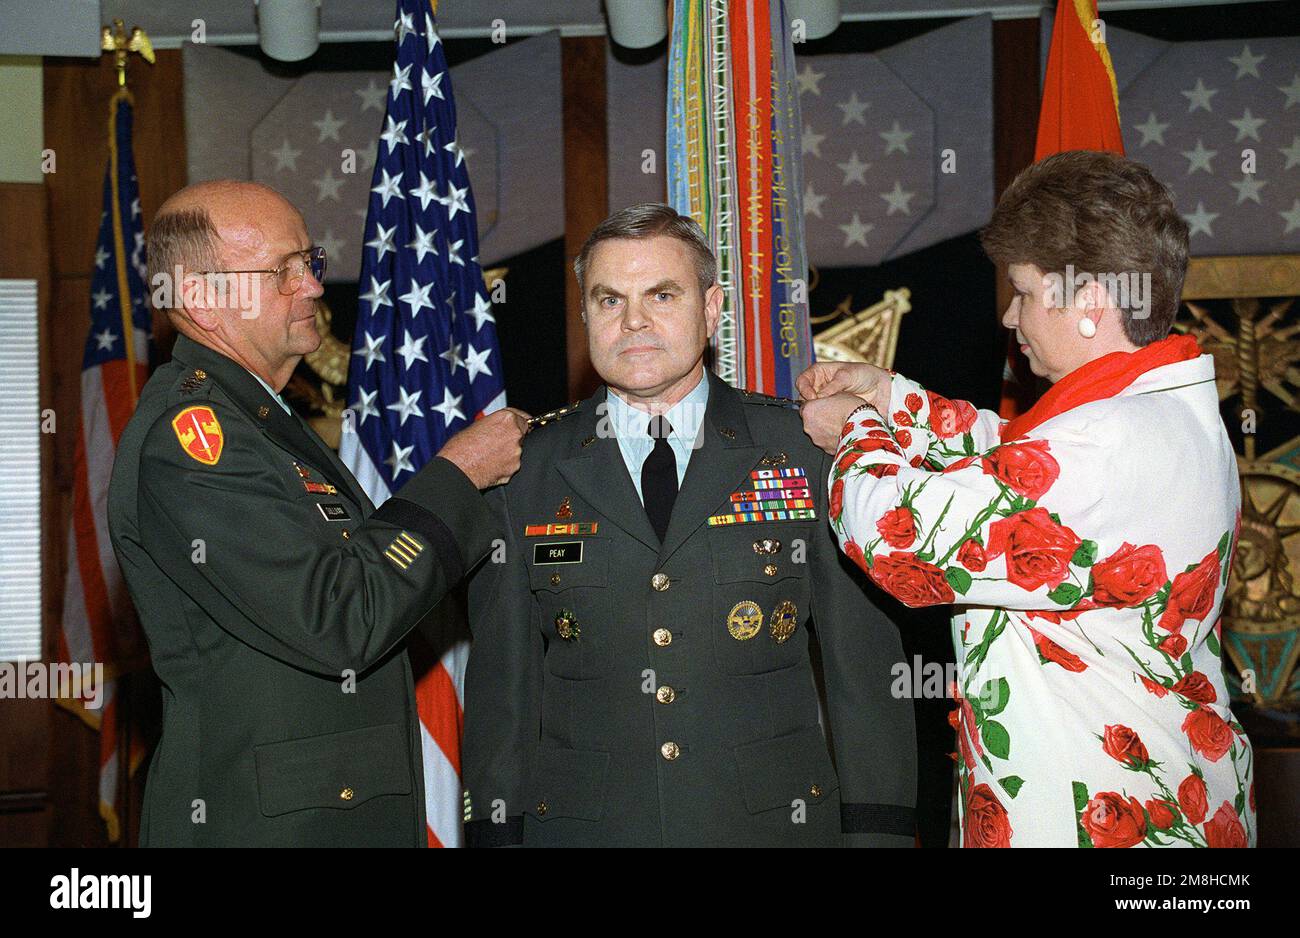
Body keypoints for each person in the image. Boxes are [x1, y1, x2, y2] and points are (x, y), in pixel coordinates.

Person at [799, 150, 1255, 848]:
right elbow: (1008, 454)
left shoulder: (1106, 443)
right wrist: (888, 396)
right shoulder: (1152, 412)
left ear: (1090, 300)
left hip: (1094, 813)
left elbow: (898, 538)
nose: (1010, 317)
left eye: (1024, 291)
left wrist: (855, 427)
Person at [462, 203, 915, 847]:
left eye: (662, 295)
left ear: (711, 308)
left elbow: (865, 673)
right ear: (585, 313)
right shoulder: (524, 468)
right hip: (586, 829)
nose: (634, 322)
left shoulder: (804, 447)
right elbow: (502, 690)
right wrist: (494, 833)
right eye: (609, 299)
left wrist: (881, 834)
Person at [108, 180, 529, 846]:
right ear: (200, 297)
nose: (310, 287)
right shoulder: (193, 438)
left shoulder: (262, 418)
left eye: (309, 263)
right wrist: (457, 475)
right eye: (283, 270)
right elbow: (341, 616)